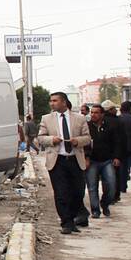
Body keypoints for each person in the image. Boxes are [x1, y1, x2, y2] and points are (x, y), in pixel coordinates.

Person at [40, 92, 91, 234]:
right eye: (50, 101)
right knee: (61, 193)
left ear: (63, 102)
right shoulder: (47, 119)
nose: (52, 103)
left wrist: (77, 141)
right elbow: (40, 138)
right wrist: (52, 140)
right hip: (58, 161)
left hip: (75, 159)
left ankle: (74, 216)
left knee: (78, 191)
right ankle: (66, 223)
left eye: (55, 101)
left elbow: (87, 138)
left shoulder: (79, 118)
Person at [85, 103, 127, 216]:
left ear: (102, 114)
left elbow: (117, 142)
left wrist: (117, 157)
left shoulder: (111, 126)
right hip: (92, 160)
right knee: (92, 186)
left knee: (111, 184)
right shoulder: (86, 127)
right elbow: (85, 144)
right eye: (92, 112)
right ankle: (95, 210)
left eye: (96, 113)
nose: (93, 115)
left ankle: (105, 203)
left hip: (107, 160)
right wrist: (86, 157)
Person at [119, 101, 131, 197]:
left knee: (122, 168)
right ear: (130, 109)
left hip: (121, 148)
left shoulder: (118, 119)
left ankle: (122, 187)